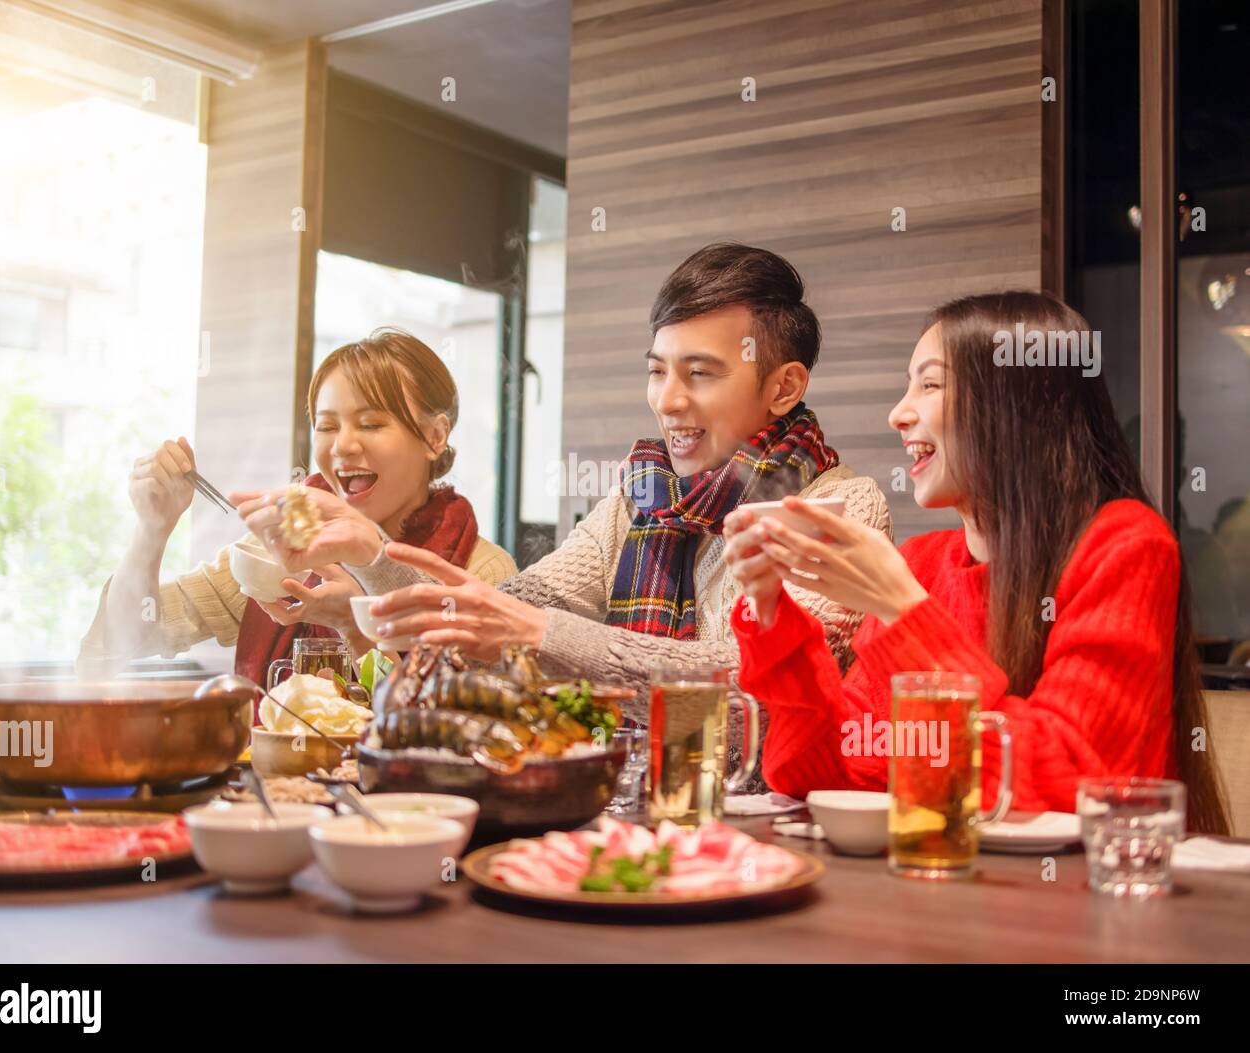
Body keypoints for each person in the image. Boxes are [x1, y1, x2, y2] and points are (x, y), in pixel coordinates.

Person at [234, 244, 892, 725]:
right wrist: (369, 553)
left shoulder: (842, 507)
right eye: (658, 371)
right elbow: (496, 621)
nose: (668, 402)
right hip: (621, 809)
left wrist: (537, 633)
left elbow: (757, 697)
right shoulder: (638, 498)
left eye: (700, 374)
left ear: (784, 387)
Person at [723, 291, 1229, 833]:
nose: (899, 412)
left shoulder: (1124, 544)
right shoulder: (921, 564)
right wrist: (772, 615)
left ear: (1019, 404)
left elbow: (1074, 784)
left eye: (931, 383)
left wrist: (903, 612)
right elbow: (825, 773)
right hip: (945, 892)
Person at [78, 329, 516, 683]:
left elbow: (466, 723)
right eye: (326, 426)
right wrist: (152, 529)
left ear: (435, 437)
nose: (342, 445)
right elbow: (126, 637)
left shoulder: (482, 573)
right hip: (275, 789)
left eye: (371, 423)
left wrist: (353, 626)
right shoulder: (275, 549)